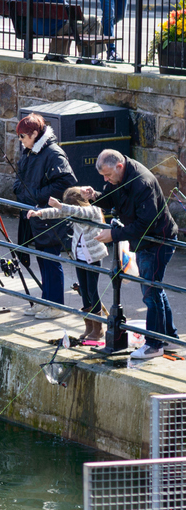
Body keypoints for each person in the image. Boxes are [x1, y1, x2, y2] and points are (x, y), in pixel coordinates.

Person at [91, 149, 180, 358]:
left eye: (108, 175)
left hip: (158, 241)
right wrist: (94, 196)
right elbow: (111, 199)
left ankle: (154, 344)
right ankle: (169, 337)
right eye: (103, 176)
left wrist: (114, 235)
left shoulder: (142, 182)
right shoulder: (119, 178)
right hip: (146, 240)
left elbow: (144, 225)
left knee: (151, 292)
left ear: (119, 166)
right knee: (154, 288)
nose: (106, 179)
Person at [26, 187, 108, 343]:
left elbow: (77, 212)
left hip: (93, 257)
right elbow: (59, 213)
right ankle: (89, 327)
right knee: (84, 290)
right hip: (79, 257)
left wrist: (61, 206)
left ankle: (98, 330)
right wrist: (40, 213)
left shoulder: (93, 211)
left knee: (92, 289)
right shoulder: (73, 211)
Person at [13, 113, 76, 317]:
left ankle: (57, 305)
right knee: (42, 257)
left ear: (34, 134)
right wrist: (20, 192)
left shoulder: (53, 153)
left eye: (23, 137)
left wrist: (36, 197)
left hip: (49, 215)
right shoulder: (30, 152)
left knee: (51, 258)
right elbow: (20, 178)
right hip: (35, 214)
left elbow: (66, 182)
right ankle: (47, 298)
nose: (21, 141)